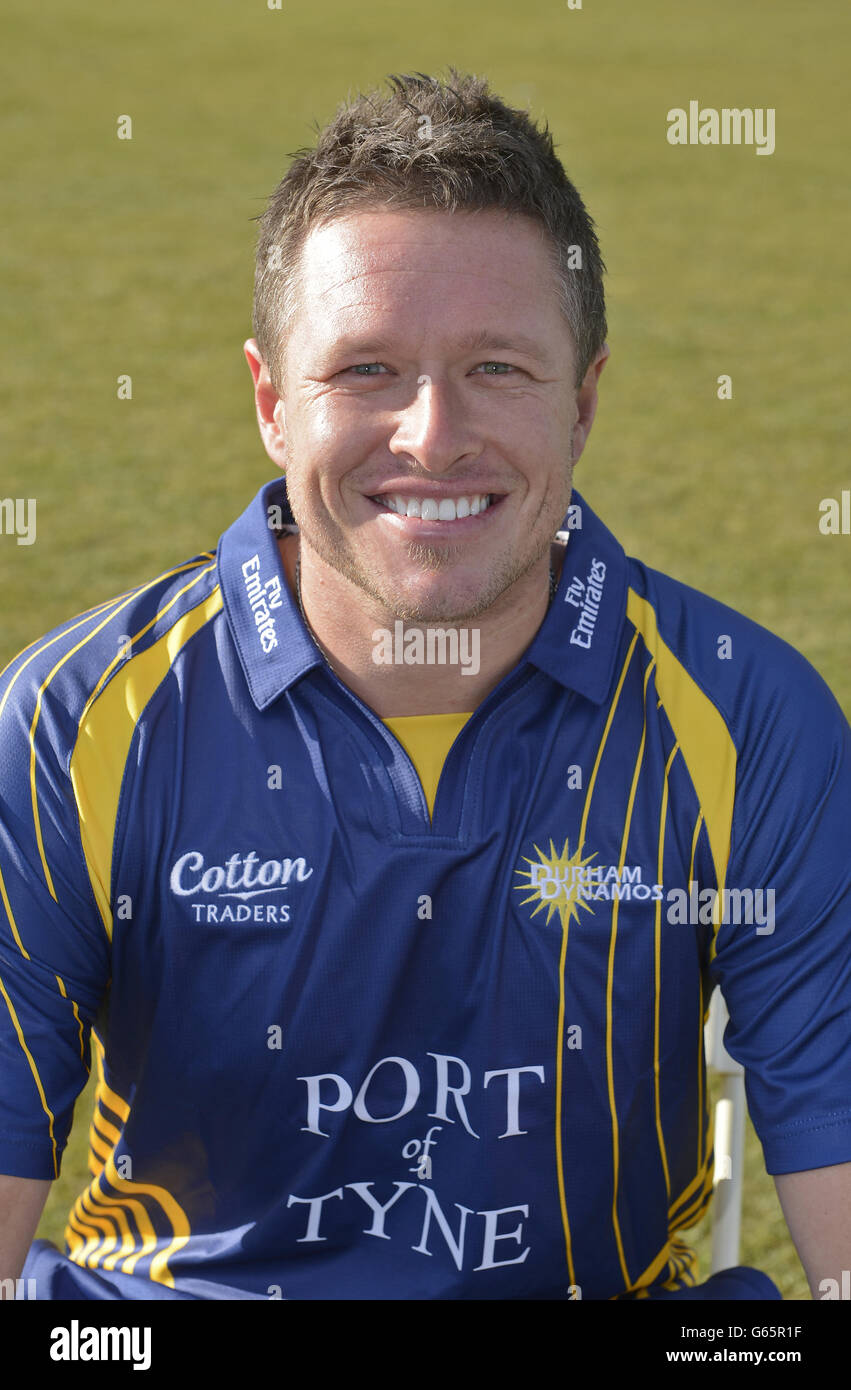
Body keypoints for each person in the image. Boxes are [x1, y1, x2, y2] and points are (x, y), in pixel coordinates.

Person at [1, 70, 849, 1303]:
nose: (432, 434)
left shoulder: (745, 718)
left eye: (498, 368)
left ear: (587, 399)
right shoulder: (73, 725)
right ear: (269, 405)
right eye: (365, 371)